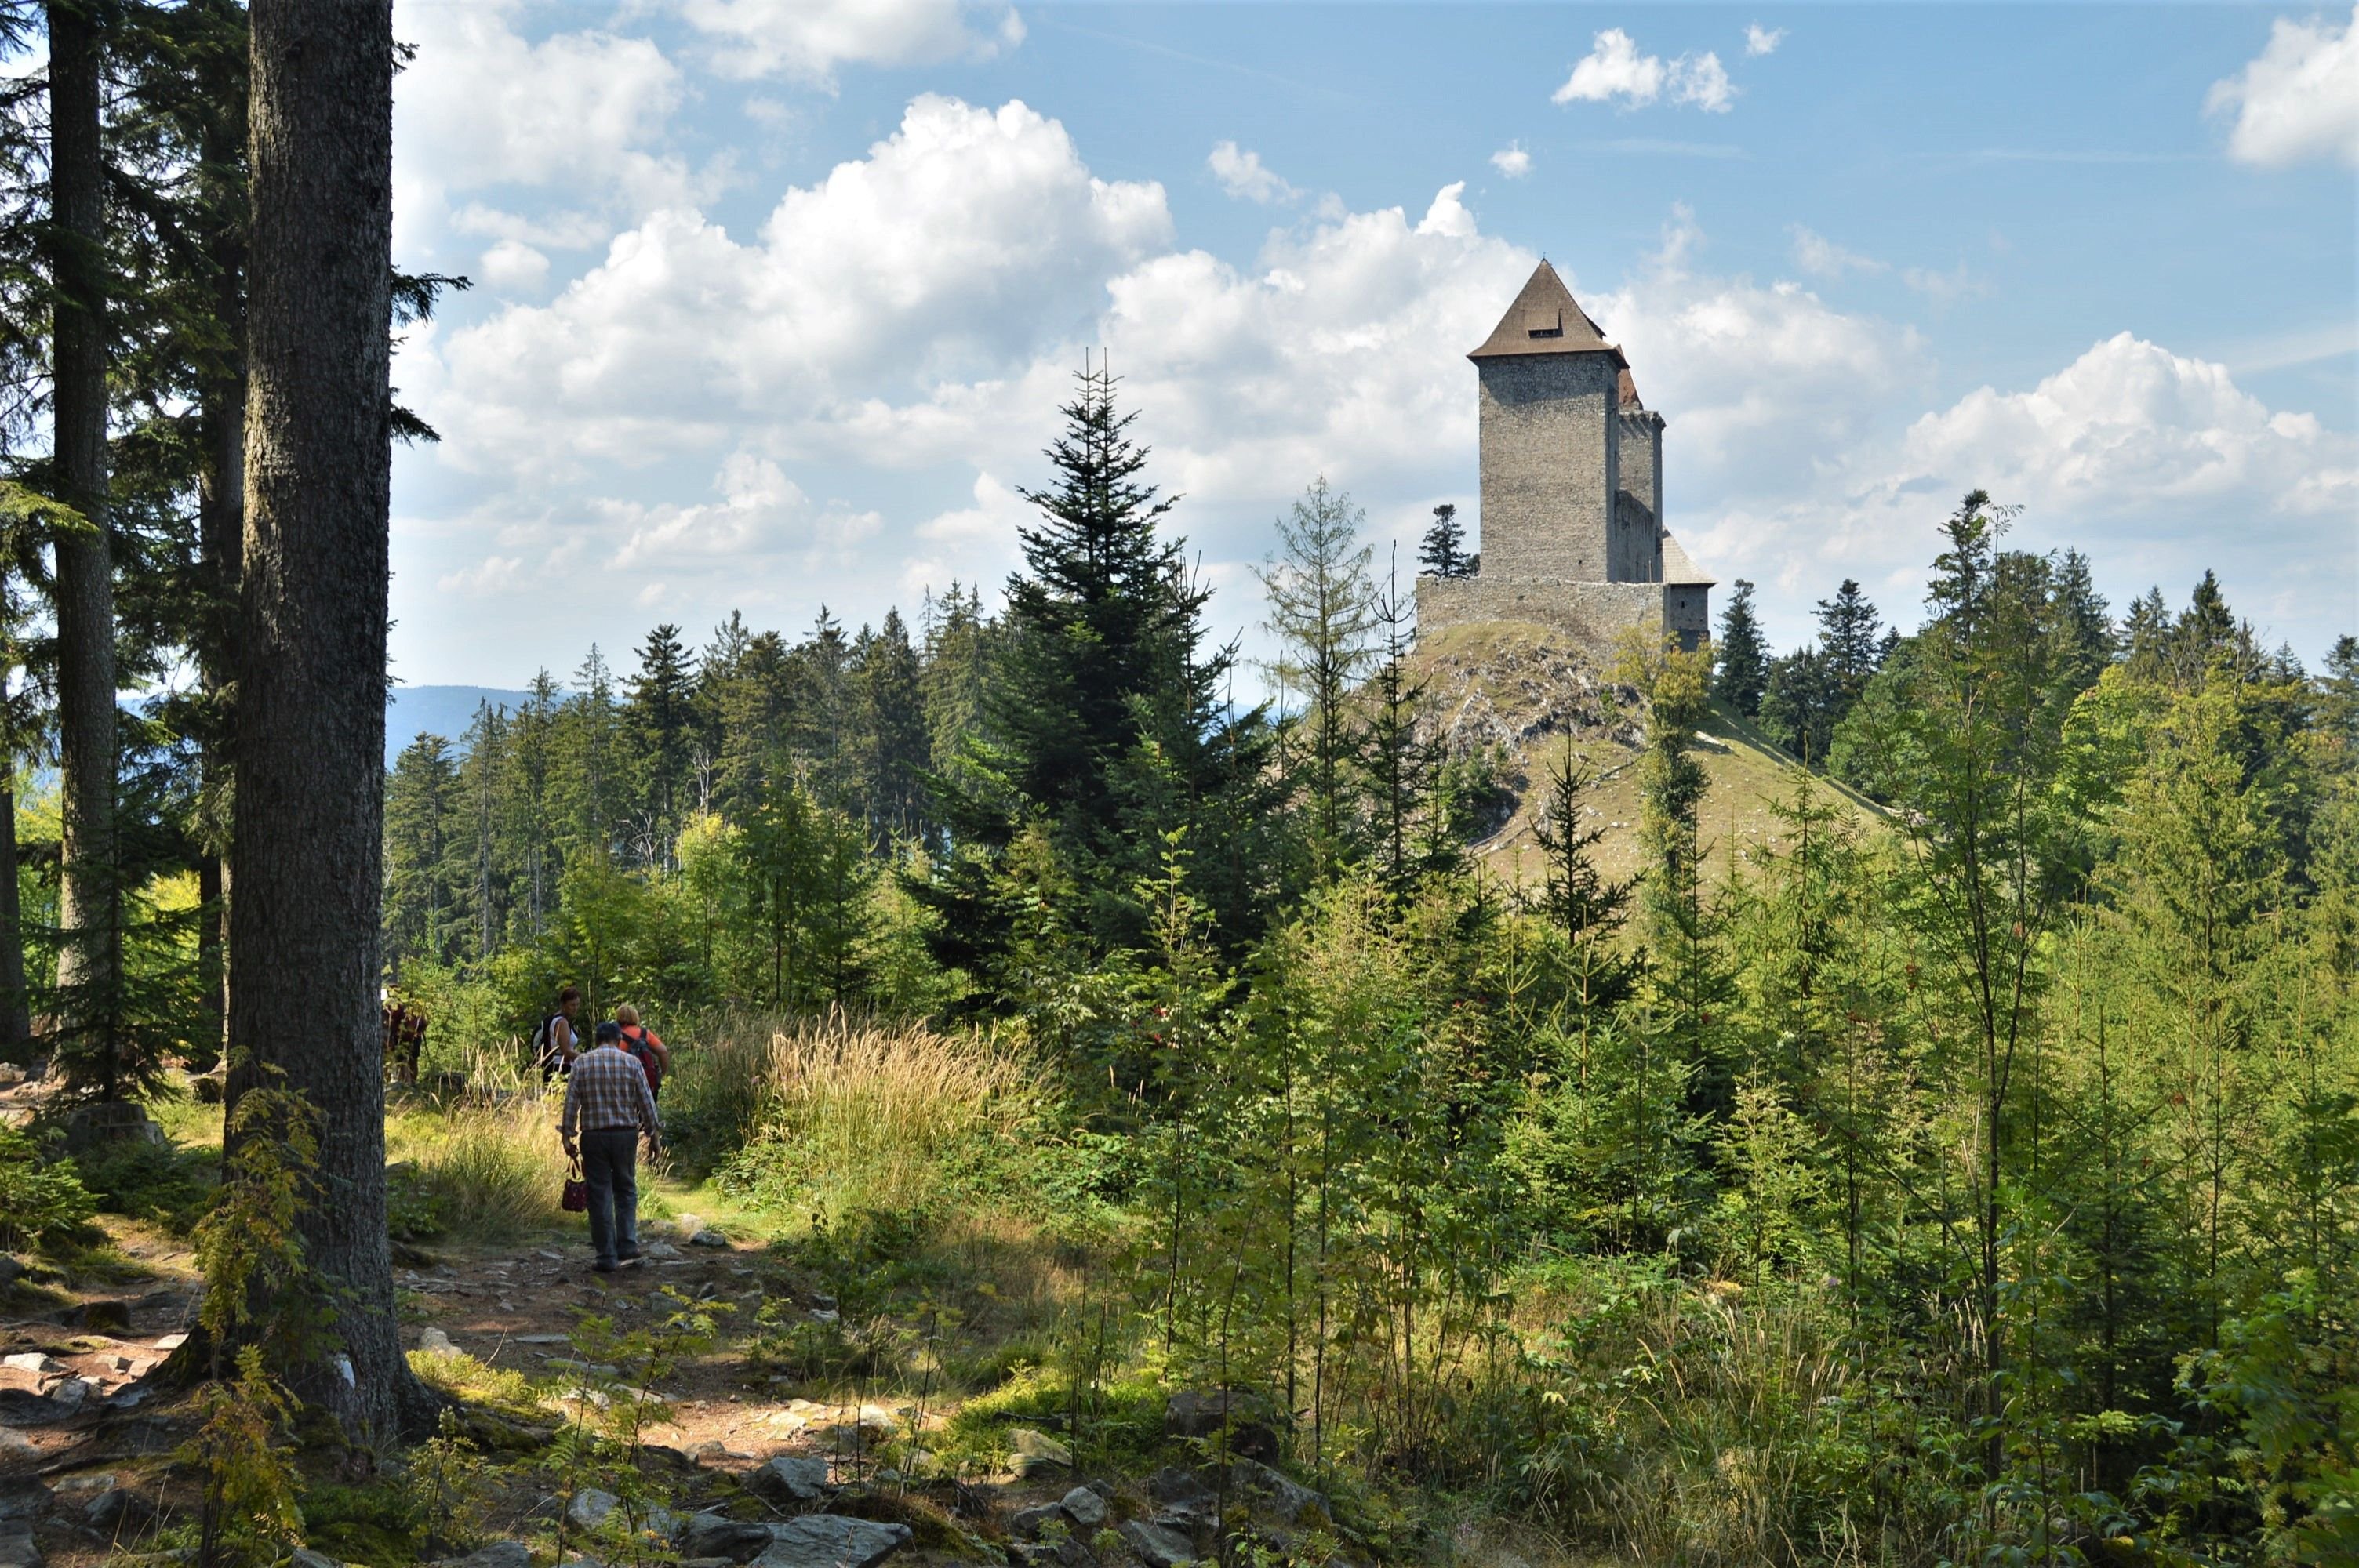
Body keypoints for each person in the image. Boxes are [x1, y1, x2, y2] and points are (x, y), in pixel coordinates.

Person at [560, 1021, 660, 1272]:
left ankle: (606, 1256)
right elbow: (646, 1101)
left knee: (599, 1193)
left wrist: (567, 1136)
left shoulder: (582, 1063)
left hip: (593, 1136)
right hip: (625, 1134)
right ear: (618, 1039)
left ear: (596, 1040)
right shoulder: (631, 1062)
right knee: (626, 1188)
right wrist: (653, 1134)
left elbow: (571, 1101)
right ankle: (627, 1244)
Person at [614, 1003, 670, 1099]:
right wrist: (662, 1073)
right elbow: (663, 1051)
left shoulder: (613, 1035)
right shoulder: (644, 1033)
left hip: (622, 1082)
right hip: (644, 1081)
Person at [532, 985, 582, 1080]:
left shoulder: (554, 1019)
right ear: (563, 1004)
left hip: (553, 1068)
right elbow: (566, 1052)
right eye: (572, 1005)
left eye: (577, 1004)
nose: (575, 1008)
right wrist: (586, 1057)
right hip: (561, 1068)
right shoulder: (562, 1022)